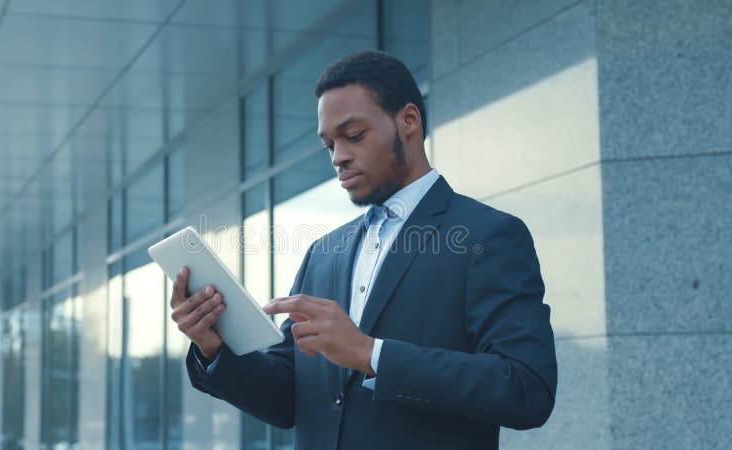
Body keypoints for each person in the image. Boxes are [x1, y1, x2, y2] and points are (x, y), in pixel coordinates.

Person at [169, 50, 557, 450]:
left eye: (353, 136)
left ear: (408, 120)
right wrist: (213, 346)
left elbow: (528, 389)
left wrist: (371, 354)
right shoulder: (324, 253)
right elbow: (287, 399)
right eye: (329, 144)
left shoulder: (489, 236)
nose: (338, 157)